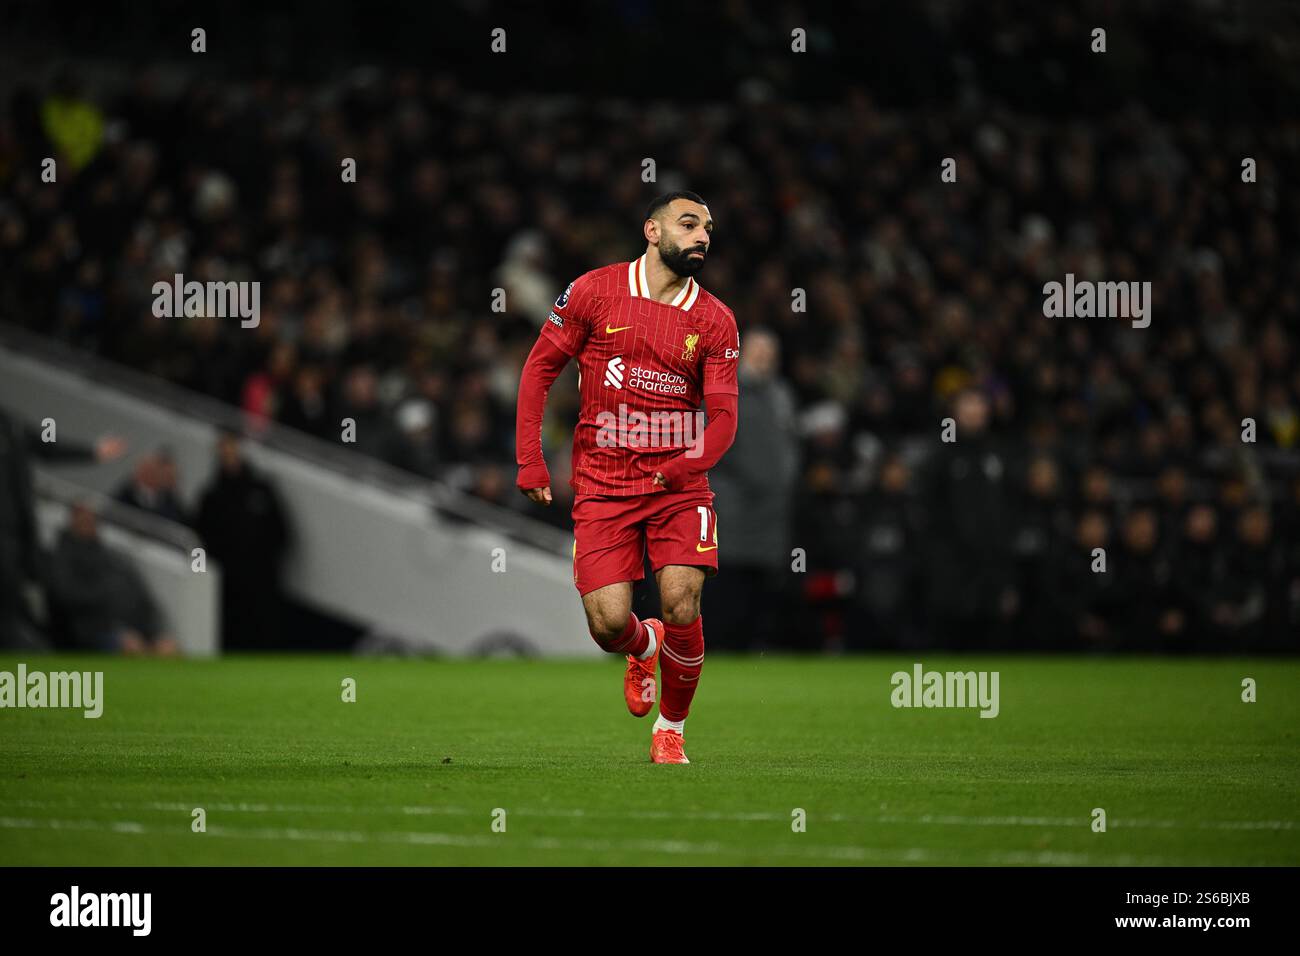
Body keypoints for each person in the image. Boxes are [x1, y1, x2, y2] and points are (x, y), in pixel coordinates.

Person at [514, 191, 739, 764]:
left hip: (678, 488)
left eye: (708, 229)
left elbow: (724, 420)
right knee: (609, 624)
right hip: (603, 485)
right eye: (689, 224)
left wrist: (684, 467)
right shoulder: (594, 290)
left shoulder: (715, 320)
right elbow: (540, 368)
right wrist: (530, 459)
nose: (702, 237)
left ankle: (672, 728)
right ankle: (643, 646)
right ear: (651, 229)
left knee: (682, 603)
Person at [0, 404, 127, 649]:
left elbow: (48, 447)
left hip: (13, 538)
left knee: (9, 607)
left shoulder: (10, 424)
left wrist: (92, 452)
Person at [707, 328, 799, 650]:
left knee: (760, 605)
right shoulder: (724, 392)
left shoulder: (781, 395)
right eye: (758, 352)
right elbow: (710, 450)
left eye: (770, 354)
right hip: (733, 517)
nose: (764, 359)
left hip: (771, 520)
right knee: (728, 598)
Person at [195, 430, 291, 650]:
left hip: (262, 579)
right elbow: (200, 541)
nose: (230, 456)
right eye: (225, 452)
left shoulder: (261, 489)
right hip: (229, 584)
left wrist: (267, 561)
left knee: (265, 636)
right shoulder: (211, 496)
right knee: (234, 637)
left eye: (233, 450)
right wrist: (207, 571)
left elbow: (282, 532)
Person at [46, 502, 179, 655]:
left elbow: (142, 596)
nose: (89, 526)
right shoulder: (64, 557)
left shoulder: (112, 556)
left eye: (92, 521)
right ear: (73, 522)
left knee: (168, 648)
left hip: (134, 627)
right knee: (132, 647)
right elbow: (69, 594)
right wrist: (114, 621)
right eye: (84, 521)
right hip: (96, 629)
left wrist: (156, 631)